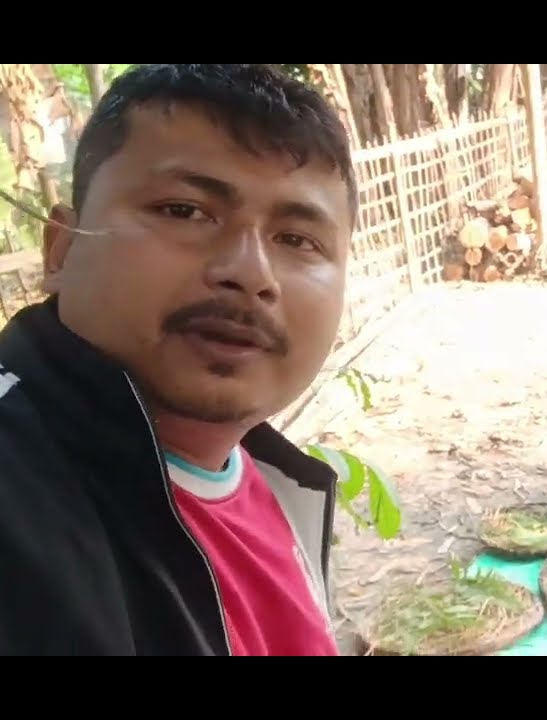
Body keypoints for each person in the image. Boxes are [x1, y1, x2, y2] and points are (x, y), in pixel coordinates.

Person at [0, 65, 356, 655]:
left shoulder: (267, 477)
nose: (249, 274)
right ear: (61, 249)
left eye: (297, 240)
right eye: (184, 211)